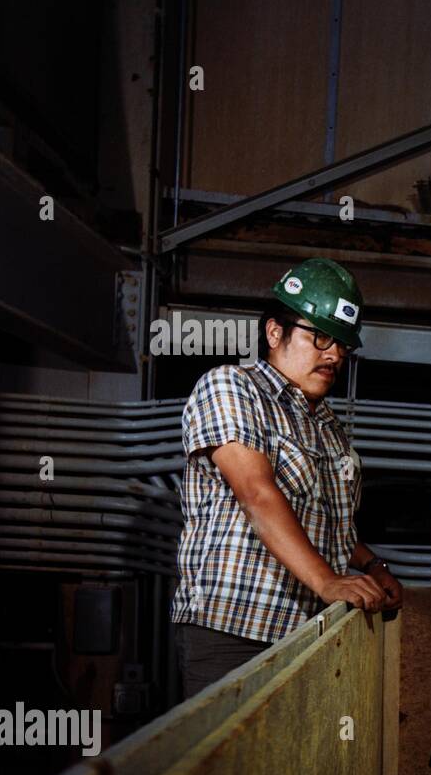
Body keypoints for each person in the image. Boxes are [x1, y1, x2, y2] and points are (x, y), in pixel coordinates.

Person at [170, 257, 403, 698]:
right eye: (320, 337)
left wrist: (371, 565)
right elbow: (257, 494)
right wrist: (328, 582)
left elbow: (325, 522)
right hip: (235, 633)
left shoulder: (330, 428)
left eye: (342, 345)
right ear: (275, 332)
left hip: (309, 637)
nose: (334, 354)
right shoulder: (232, 387)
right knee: (233, 766)